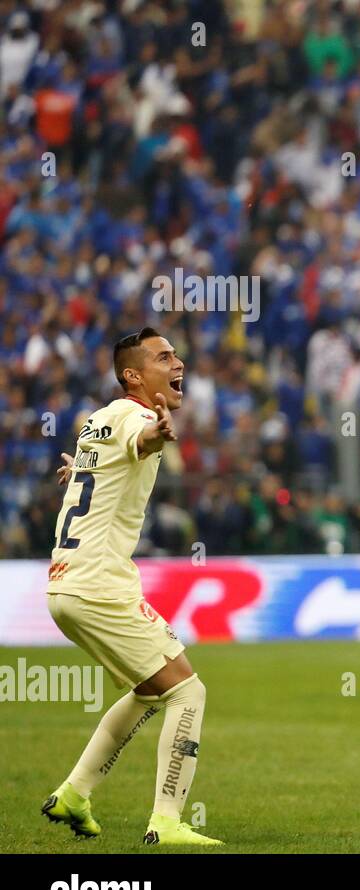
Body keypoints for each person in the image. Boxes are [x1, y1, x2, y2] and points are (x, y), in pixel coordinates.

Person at [43, 328, 223, 846]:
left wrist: (80, 471)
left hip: (65, 585)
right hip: (100, 584)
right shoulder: (139, 417)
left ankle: (75, 793)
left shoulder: (97, 420)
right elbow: (141, 441)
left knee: (148, 690)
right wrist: (158, 433)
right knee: (187, 690)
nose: (177, 361)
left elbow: (102, 472)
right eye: (164, 357)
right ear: (134, 375)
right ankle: (166, 821)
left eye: (176, 354)